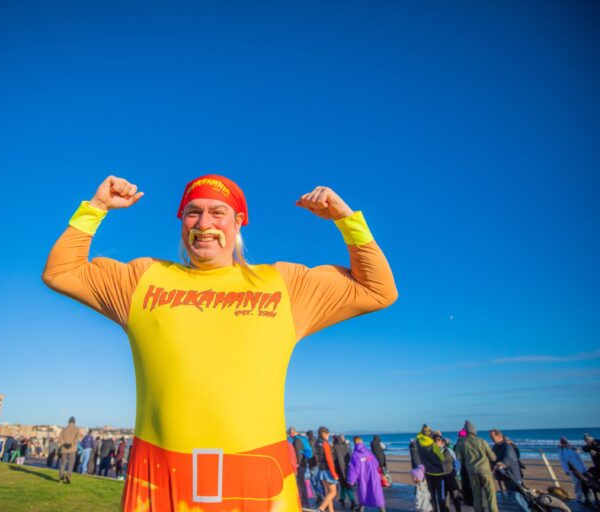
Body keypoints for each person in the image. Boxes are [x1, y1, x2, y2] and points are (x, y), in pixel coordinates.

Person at [43, 174, 397, 510]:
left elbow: (377, 290)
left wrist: (345, 219)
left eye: (217, 212)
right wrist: (96, 207)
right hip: (158, 482)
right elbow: (61, 272)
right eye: (192, 212)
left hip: (260, 484)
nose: (203, 223)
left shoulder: (284, 285)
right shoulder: (142, 279)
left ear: (239, 221)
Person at [454, 420, 497, 512]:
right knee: (491, 495)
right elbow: (493, 457)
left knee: (476, 495)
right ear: (474, 431)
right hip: (485, 471)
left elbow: (458, 458)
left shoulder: (461, 442)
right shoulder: (482, 441)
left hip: (471, 471)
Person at [490, 429, 529, 512]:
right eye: (490, 436)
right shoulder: (495, 446)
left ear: (499, 435)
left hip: (513, 474)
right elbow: (493, 459)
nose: (491, 438)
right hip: (504, 475)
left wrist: (501, 464)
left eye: (492, 436)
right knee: (512, 494)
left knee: (518, 495)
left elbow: (508, 458)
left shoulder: (507, 445)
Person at [417, 427, 451, 512]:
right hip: (436, 475)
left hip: (433, 474)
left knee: (437, 498)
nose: (437, 441)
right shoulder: (435, 448)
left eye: (438, 439)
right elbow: (442, 460)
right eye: (435, 439)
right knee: (437, 497)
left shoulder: (424, 445)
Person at [346, 436, 386, 512]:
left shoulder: (355, 454)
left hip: (363, 477)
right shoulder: (368, 452)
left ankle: (361, 510)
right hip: (373, 477)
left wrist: (351, 480)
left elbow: (354, 468)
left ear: (355, 443)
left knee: (363, 494)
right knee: (377, 494)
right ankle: (382, 510)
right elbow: (376, 463)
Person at [315, 427, 339, 512]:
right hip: (327, 471)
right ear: (324, 433)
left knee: (328, 492)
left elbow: (316, 457)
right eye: (328, 433)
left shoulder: (317, 442)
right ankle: (321, 508)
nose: (328, 435)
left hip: (321, 470)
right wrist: (334, 474)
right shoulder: (325, 443)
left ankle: (331, 510)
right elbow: (329, 460)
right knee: (333, 492)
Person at [559, 437, 589, 504]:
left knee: (585, 483)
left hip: (581, 468)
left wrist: (585, 469)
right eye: (562, 442)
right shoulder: (561, 451)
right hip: (572, 470)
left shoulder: (572, 448)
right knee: (577, 483)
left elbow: (579, 454)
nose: (564, 443)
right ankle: (579, 498)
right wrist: (566, 470)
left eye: (565, 442)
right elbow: (562, 461)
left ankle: (587, 498)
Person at [288, 427, 313, 508]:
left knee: (301, 483)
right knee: (301, 483)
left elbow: (299, 452)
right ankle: (304, 502)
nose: (289, 435)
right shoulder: (299, 438)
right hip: (303, 464)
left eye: (289, 433)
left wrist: (297, 463)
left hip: (300, 465)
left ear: (292, 432)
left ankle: (305, 503)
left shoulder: (297, 440)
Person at [333, 435, 358, 511]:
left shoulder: (334, 448)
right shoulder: (347, 446)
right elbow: (351, 455)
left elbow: (334, 460)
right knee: (346, 485)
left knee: (345, 486)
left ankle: (353, 501)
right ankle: (342, 498)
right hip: (349, 468)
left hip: (340, 470)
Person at [57, 416, 80, 484]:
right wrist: (71, 444)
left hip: (64, 449)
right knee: (71, 464)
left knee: (63, 463)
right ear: (74, 422)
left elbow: (59, 438)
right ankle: (68, 476)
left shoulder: (64, 429)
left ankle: (61, 476)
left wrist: (64, 443)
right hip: (72, 449)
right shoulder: (77, 429)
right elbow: (77, 438)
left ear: (68, 421)